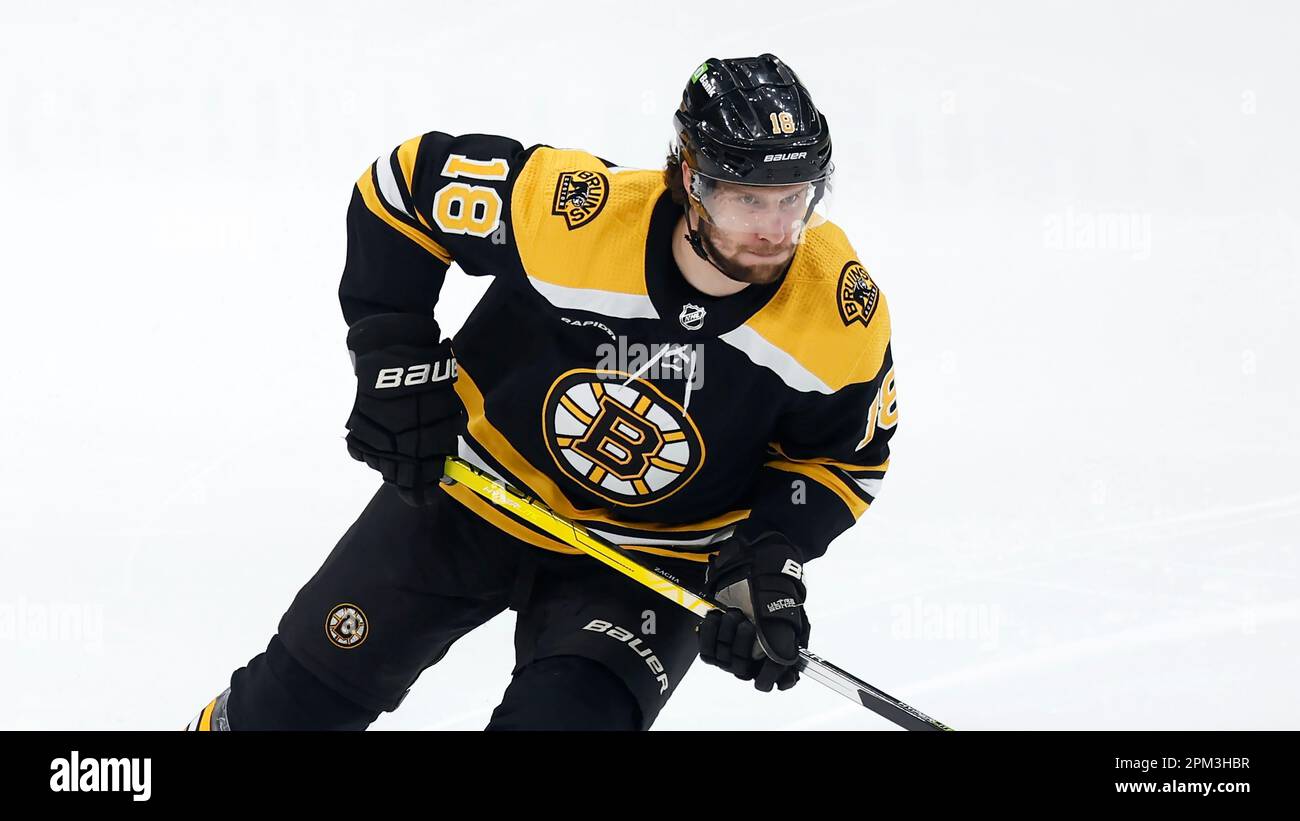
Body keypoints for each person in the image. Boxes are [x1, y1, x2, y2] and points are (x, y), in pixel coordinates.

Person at [187, 53, 897, 731]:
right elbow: (402, 189)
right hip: (473, 489)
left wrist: (769, 554)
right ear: (687, 179)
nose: (776, 230)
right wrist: (395, 364)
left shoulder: (838, 310)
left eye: (794, 198)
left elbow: (840, 460)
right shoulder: (575, 214)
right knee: (291, 705)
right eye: (747, 197)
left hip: (652, 558)